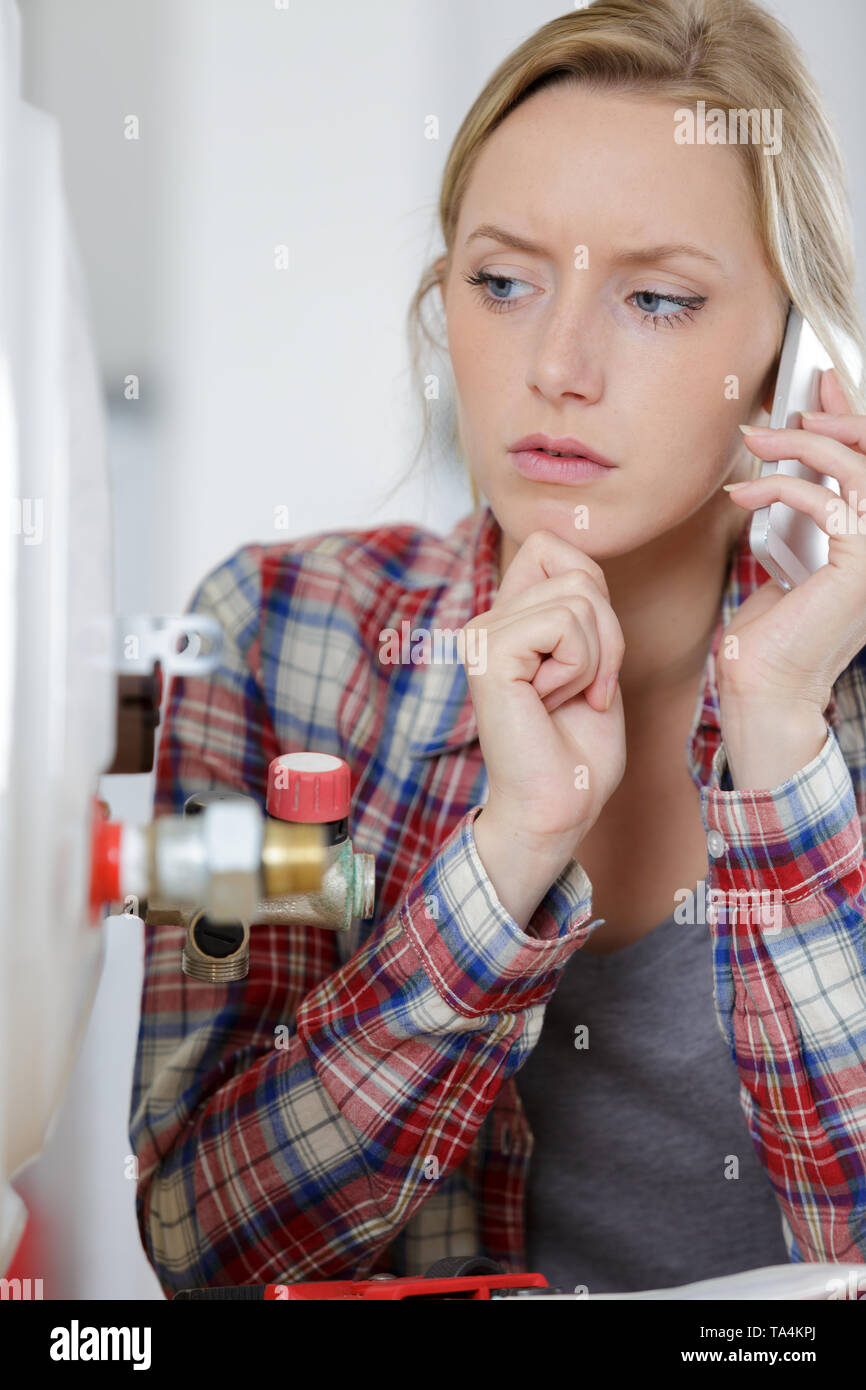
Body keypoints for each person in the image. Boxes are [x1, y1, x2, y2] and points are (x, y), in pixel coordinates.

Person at [129, 0, 866, 1297]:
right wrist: (506, 854)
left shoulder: (836, 690)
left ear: (791, 360)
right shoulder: (280, 638)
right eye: (504, 281)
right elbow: (207, 1245)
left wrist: (776, 729)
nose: (555, 363)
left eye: (655, 297)